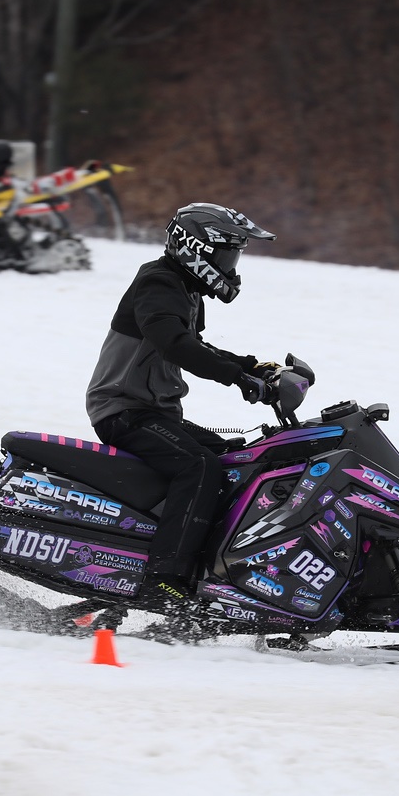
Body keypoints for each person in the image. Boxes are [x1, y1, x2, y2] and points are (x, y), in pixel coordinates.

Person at [86, 203, 278, 603]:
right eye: (228, 253)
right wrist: (238, 379)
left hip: (152, 411)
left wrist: (253, 367)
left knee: (235, 458)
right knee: (199, 465)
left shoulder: (188, 290)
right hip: (123, 410)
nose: (232, 265)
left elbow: (196, 345)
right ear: (197, 248)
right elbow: (174, 345)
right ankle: (164, 578)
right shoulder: (157, 281)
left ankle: (211, 568)